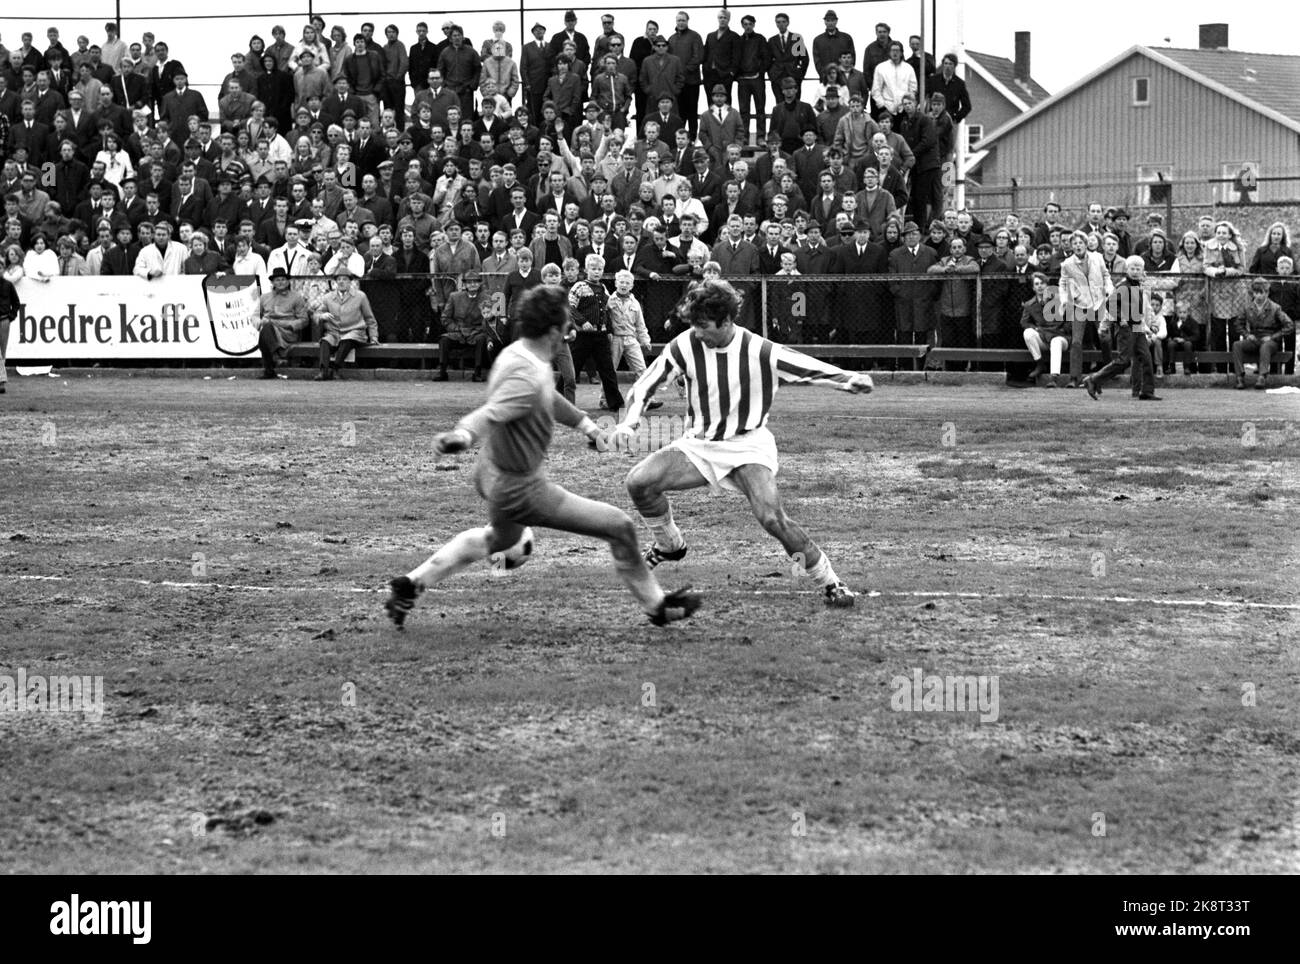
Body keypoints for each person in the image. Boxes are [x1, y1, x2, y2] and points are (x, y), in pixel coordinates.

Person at [383, 283, 701, 630]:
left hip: (491, 472)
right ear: (552, 331)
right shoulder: (528, 374)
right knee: (620, 527)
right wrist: (462, 434)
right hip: (521, 487)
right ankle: (658, 607)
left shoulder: (518, 354)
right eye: (566, 327)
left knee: (502, 541)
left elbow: (545, 397)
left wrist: (589, 428)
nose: (570, 334)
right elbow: (491, 413)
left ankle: (410, 585)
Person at [613, 279, 872, 608]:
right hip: (701, 444)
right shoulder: (685, 344)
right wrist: (628, 423)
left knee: (772, 519)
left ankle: (830, 582)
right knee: (639, 482)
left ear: (725, 321)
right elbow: (648, 382)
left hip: (749, 445)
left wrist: (850, 379)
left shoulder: (758, 350)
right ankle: (669, 545)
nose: (698, 332)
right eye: (693, 324)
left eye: (704, 325)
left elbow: (807, 367)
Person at [1083, 256, 1159, 401]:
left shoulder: (1138, 286)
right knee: (1124, 361)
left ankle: (1147, 391)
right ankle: (1093, 379)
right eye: (1132, 268)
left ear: (1143, 271)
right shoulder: (1123, 286)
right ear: (1127, 269)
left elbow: (1143, 309)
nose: (1135, 271)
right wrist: (1120, 319)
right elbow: (1110, 304)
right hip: (1125, 328)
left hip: (1137, 327)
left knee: (1147, 358)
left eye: (1138, 269)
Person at [314, 268, 377, 379]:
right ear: (335, 282)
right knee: (325, 341)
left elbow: (369, 318)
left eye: (345, 279)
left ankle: (335, 369)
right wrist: (321, 316)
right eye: (338, 279)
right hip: (334, 332)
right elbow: (317, 313)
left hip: (355, 331)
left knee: (347, 339)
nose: (341, 282)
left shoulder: (360, 296)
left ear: (350, 282)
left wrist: (373, 336)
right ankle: (323, 371)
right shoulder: (328, 297)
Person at [1231, 277, 1294, 389]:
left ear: (1267, 293)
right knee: (1237, 345)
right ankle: (1239, 377)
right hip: (1254, 338)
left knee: (1265, 347)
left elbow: (1289, 325)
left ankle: (1262, 376)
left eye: (1262, 293)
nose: (1259, 296)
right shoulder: (1247, 307)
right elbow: (1238, 324)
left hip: (1270, 340)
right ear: (1253, 293)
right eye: (1256, 293)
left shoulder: (1275, 308)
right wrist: (1247, 335)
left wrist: (1273, 337)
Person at [256, 266, 308, 378]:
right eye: (277, 280)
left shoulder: (296, 297)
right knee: (265, 330)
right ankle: (276, 358)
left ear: (288, 281)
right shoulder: (264, 297)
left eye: (283, 279)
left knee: (265, 332)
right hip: (269, 330)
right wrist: (258, 322)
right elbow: (255, 315)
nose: (280, 282)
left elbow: (304, 320)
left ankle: (270, 369)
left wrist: (290, 325)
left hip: (287, 332)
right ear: (273, 282)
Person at [1021, 271, 1070, 385]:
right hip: (1043, 336)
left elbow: (1070, 318)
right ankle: (1039, 363)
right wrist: (1035, 328)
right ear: (1033, 288)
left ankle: (1053, 377)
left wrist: (1064, 329)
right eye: (1036, 284)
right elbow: (1024, 322)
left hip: (1061, 337)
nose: (1040, 286)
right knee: (1028, 333)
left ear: (1047, 285)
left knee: (1056, 341)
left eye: (1042, 283)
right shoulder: (1030, 304)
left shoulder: (1059, 300)